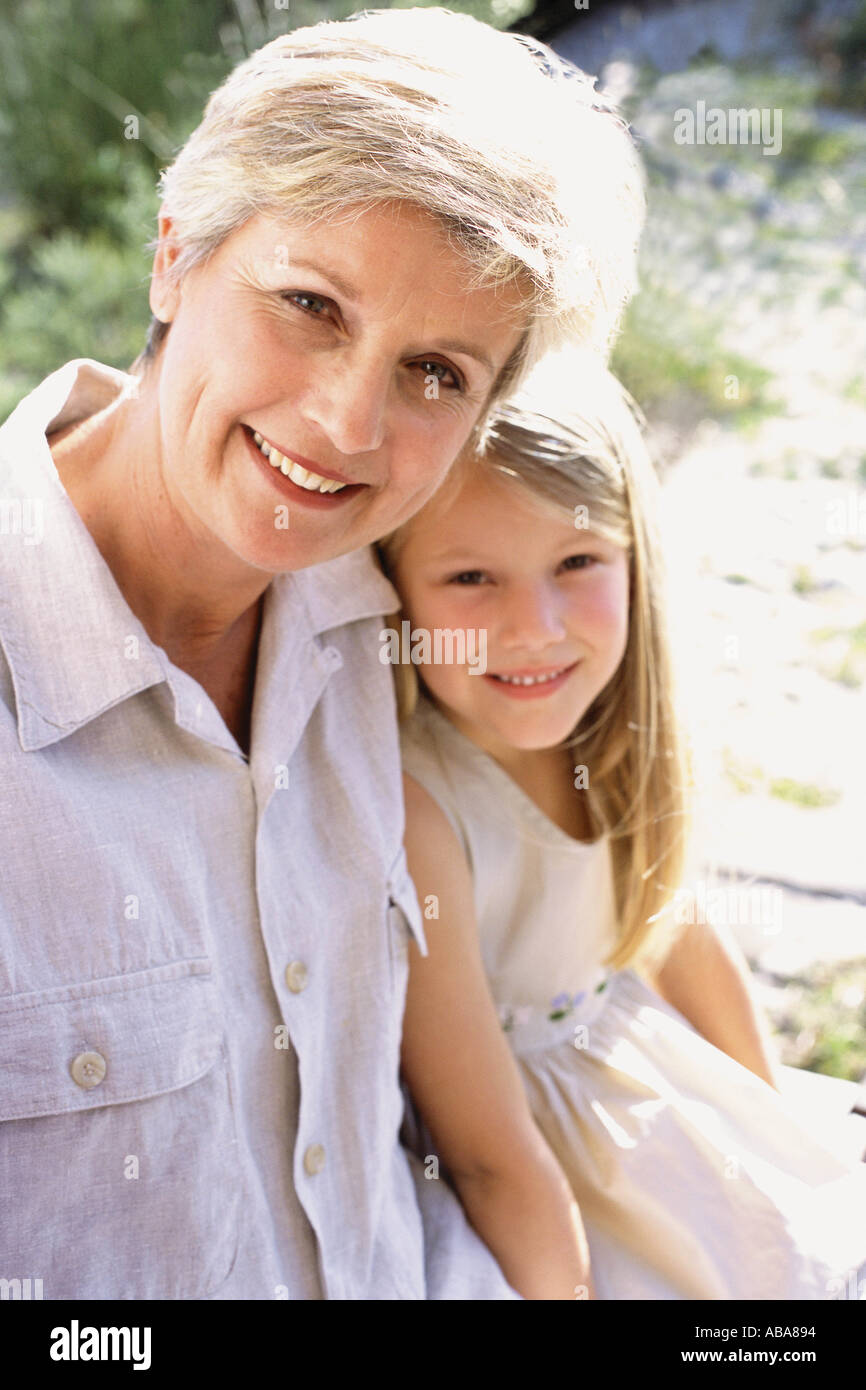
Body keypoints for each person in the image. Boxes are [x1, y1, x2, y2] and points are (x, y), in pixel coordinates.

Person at [0, 9, 645, 1299]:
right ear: (173, 255)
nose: (348, 423)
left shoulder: (397, 610)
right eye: (309, 305)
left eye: (435, 372)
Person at [378, 346, 866, 1299]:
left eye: (577, 562)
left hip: (648, 1103)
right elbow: (486, 1158)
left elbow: (684, 940)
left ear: (634, 558)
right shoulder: (419, 809)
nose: (534, 626)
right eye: (470, 578)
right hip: (541, 1193)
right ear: (390, 590)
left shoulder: (611, 736)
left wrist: (780, 1152)